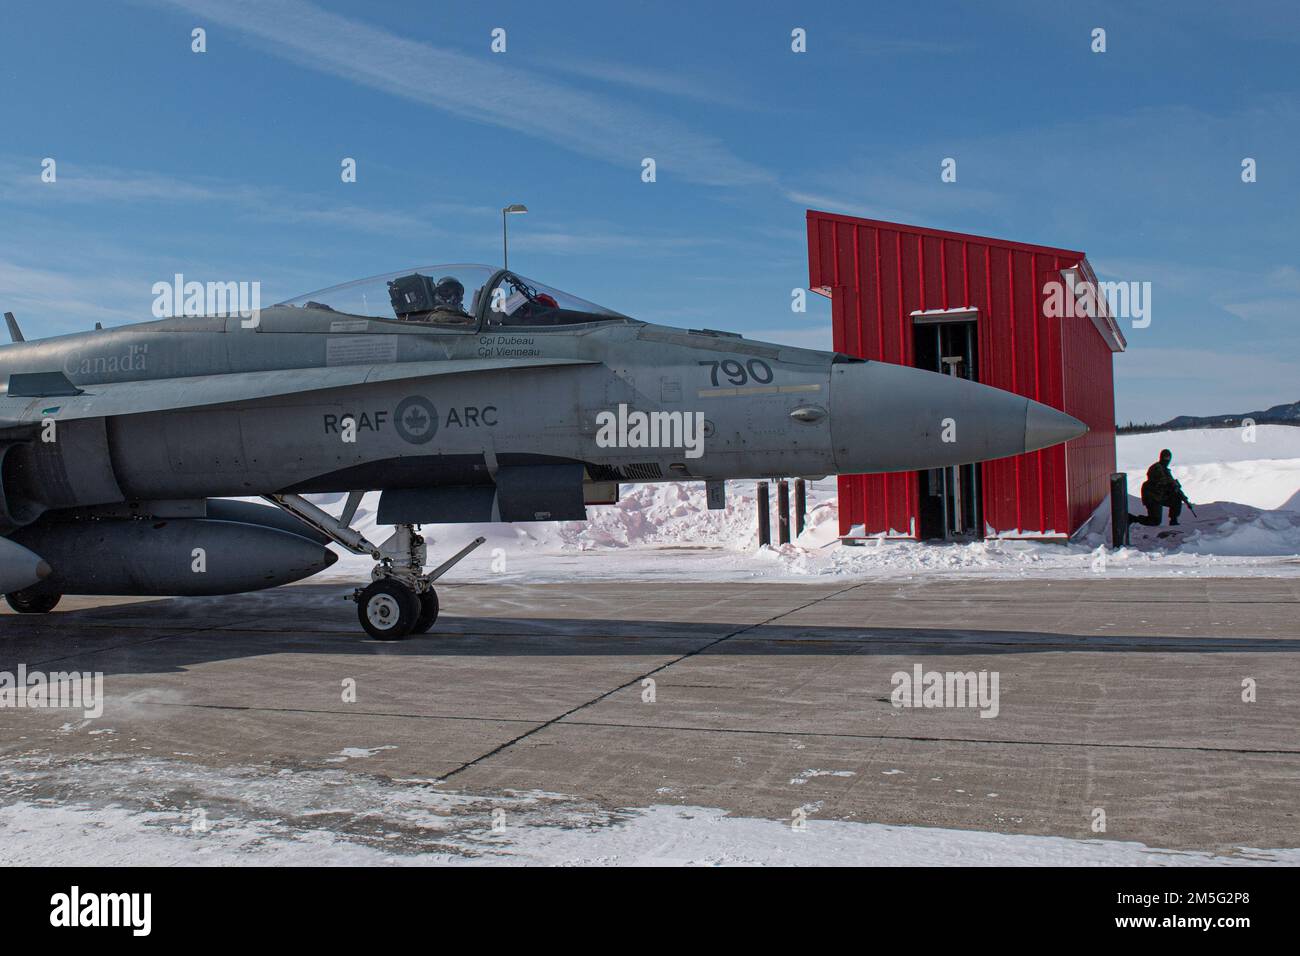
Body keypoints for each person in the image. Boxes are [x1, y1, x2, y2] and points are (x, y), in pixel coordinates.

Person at [1132, 448, 1187, 527]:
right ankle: (1133, 519)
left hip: (1160, 495)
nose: (1166, 460)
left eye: (1168, 458)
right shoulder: (1156, 468)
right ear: (1161, 457)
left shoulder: (1165, 470)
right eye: (1165, 458)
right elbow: (1160, 482)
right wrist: (1171, 485)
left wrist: (1176, 488)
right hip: (1151, 496)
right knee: (1155, 521)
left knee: (1177, 498)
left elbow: (1170, 483)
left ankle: (1173, 520)